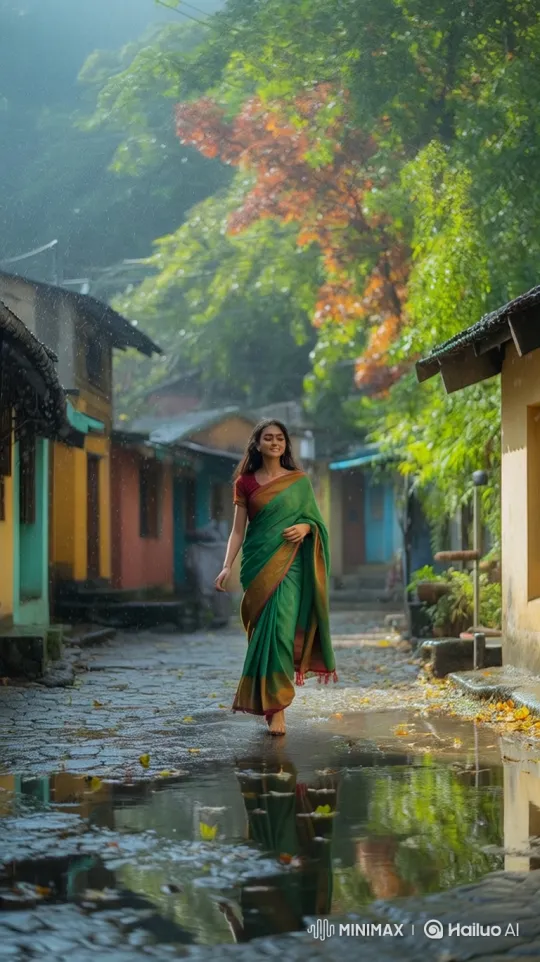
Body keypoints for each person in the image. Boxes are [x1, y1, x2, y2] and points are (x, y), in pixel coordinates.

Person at [215, 419, 337, 735]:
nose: (275, 443)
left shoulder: (299, 482)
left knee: (281, 631)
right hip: (257, 565)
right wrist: (227, 565)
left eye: (280, 438)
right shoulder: (244, 483)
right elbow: (238, 530)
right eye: (268, 438)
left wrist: (307, 528)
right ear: (257, 444)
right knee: (261, 635)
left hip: (292, 565)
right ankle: (271, 703)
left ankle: (279, 706)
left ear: (286, 444)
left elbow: (317, 523)